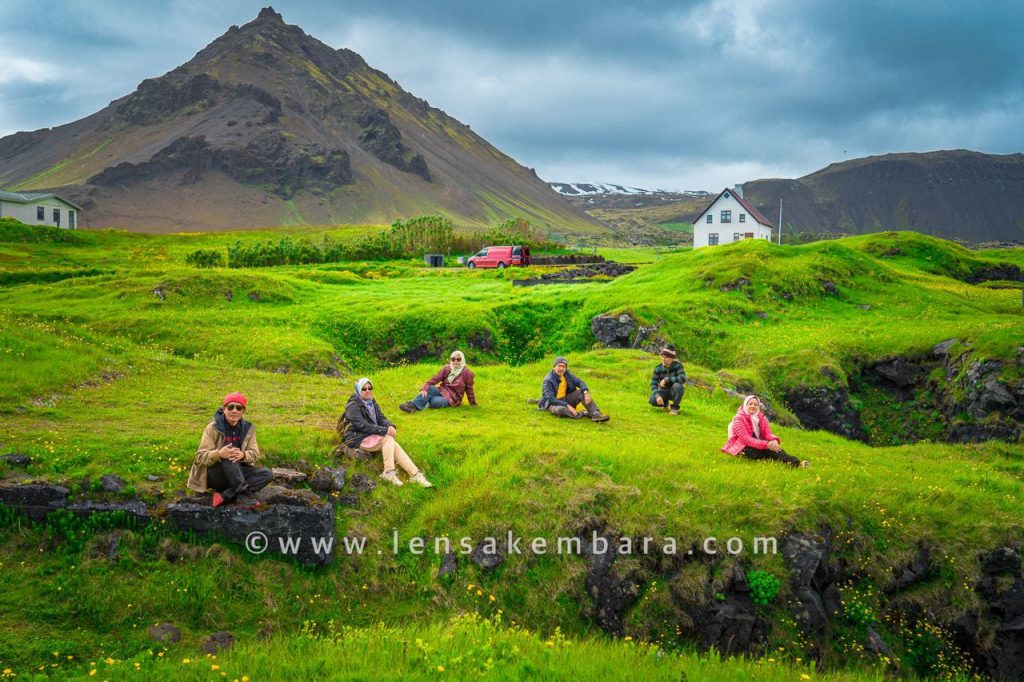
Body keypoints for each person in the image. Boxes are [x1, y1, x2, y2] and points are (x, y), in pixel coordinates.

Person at [187, 392, 274, 508]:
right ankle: (243, 496)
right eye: (230, 407)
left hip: (237, 474)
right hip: (215, 475)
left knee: (267, 474)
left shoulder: (249, 428)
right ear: (224, 409)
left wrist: (242, 455)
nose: (234, 411)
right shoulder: (212, 428)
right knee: (228, 457)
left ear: (243, 411)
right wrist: (219, 454)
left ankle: (225, 495)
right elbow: (200, 457)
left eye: (239, 408)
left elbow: (254, 454)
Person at [343, 378, 434, 487]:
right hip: (356, 438)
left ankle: (415, 474)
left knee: (392, 442)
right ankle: (388, 472)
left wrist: (390, 426)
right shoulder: (352, 405)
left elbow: (381, 418)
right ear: (358, 390)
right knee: (388, 438)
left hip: (370, 435)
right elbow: (362, 425)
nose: (367, 391)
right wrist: (384, 430)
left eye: (370, 388)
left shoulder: (371, 401)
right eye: (364, 389)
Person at [722, 395, 808, 468]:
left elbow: (767, 433)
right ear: (745, 405)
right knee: (767, 451)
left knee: (775, 448)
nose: (753, 406)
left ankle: (797, 463)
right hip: (742, 446)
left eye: (755, 405)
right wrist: (766, 444)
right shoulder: (739, 418)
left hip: (758, 442)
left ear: (758, 407)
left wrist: (774, 440)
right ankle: (786, 461)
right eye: (750, 404)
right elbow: (746, 439)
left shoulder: (761, 417)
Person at [399, 350, 477, 412]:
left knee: (434, 402)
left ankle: (423, 401)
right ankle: (412, 406)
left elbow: (469, 389)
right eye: (453, 359)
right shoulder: (447, 368)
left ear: (462, 360)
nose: (455, 361)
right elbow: (434, 379)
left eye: (458, 359)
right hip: (442, 390)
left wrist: (473, 403)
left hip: (452, 398)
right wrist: (424, 388)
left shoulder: (468, 373)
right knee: (430, 388)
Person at [538, 356, 610, 422]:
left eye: (563, 366)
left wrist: (586, 392)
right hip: (553, 404)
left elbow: (579, 381)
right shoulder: (548, 380)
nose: (561, 368)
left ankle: (595, 414)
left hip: (566, 398)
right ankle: (582, 413)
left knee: (581, 392)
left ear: (566, 368)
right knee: (560, 410)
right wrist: (567, 405)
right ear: (554, 367)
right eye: (559, 366)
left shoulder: (567, 374)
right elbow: (551, 399)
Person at [649, 345, 686, 415]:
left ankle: (675, 408)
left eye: (666, 357)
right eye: (662, 357)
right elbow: (653, 384)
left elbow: (683, 378)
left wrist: (667, 380)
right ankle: (665, 404)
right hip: (663, 391)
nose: (663, 359)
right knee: (652, 399)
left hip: (674, 391)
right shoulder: (658, 368)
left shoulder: (678, 366)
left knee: (677, 386)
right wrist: (657, 396)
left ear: (672, 358)